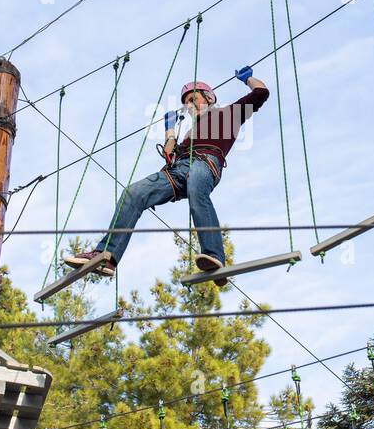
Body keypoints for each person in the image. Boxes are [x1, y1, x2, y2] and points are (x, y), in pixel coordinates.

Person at [64, 65, 269, 283]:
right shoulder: (190, 133)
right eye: (187, 102)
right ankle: (107, 256)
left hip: (205, 163)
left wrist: (249, 79)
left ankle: (213, 255)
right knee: (133, 193)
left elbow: (261, 93)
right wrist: (170, 131)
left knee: (196, 187)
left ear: (209, 98)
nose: (190, 105)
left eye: (194, 99)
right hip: (177, 169)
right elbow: (170, 154)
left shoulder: (227, 114)